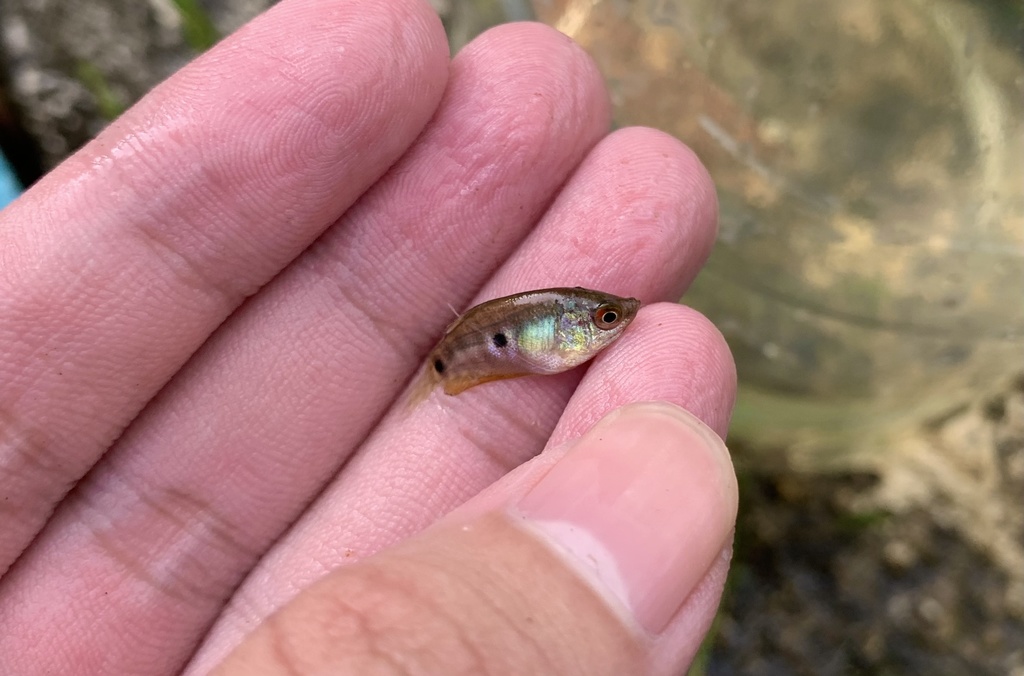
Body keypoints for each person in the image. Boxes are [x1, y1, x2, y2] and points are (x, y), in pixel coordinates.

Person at [0, 0, 738, 673]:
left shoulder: (564, 323)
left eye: (607, 319)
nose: (614, 323)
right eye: (607, 320)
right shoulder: (549, 327)